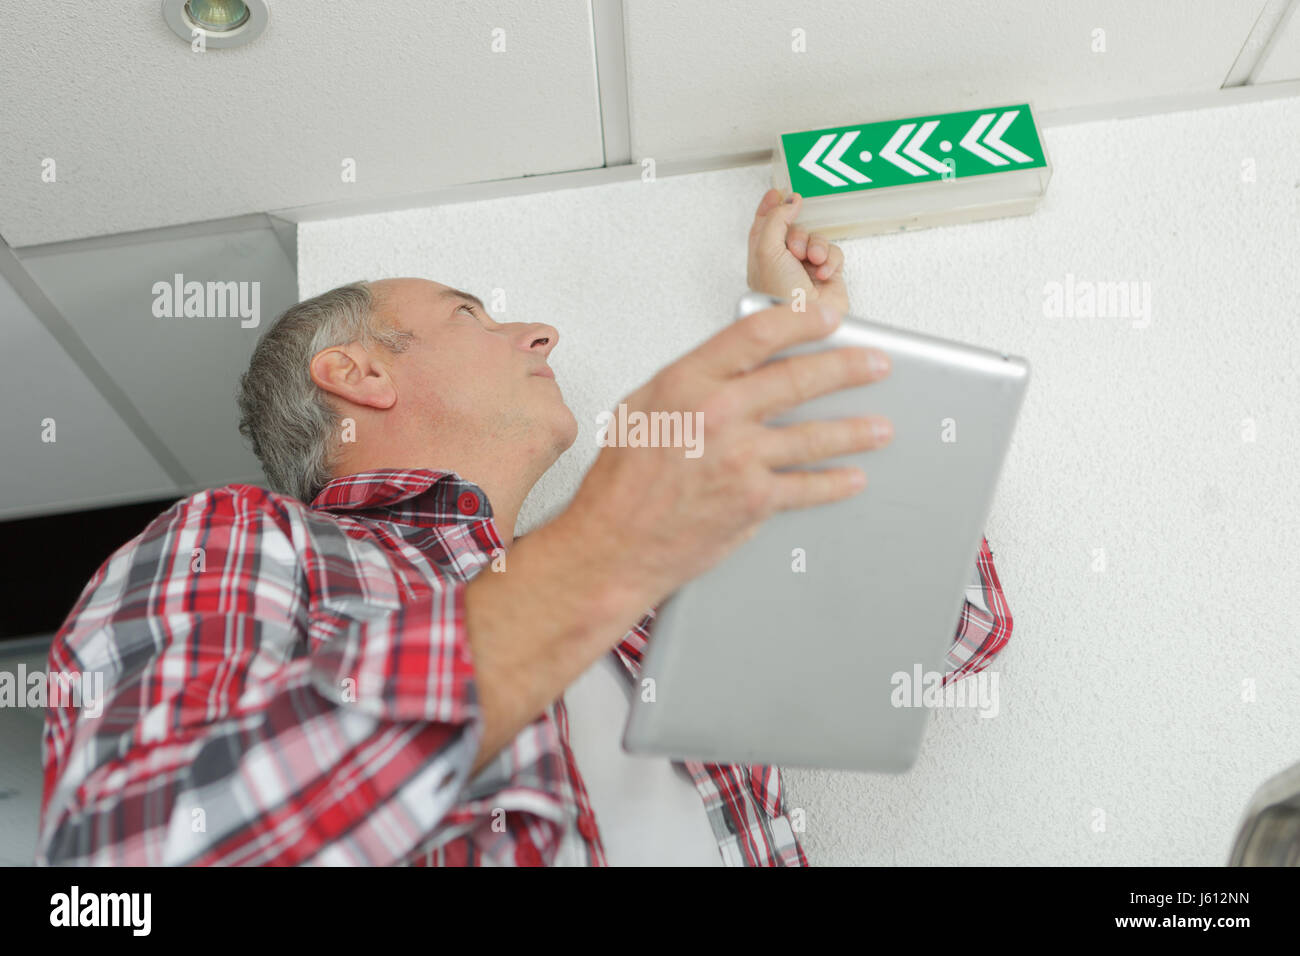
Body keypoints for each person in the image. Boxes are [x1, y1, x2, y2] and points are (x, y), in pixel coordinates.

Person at [36, 189, 1012, 866]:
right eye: (471, 313)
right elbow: (132, 851)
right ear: (358, 375)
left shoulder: (642, 608)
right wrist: (603, 546)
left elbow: (947, 631)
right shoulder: (246, 538)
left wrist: (806, 341)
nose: (539, 331)